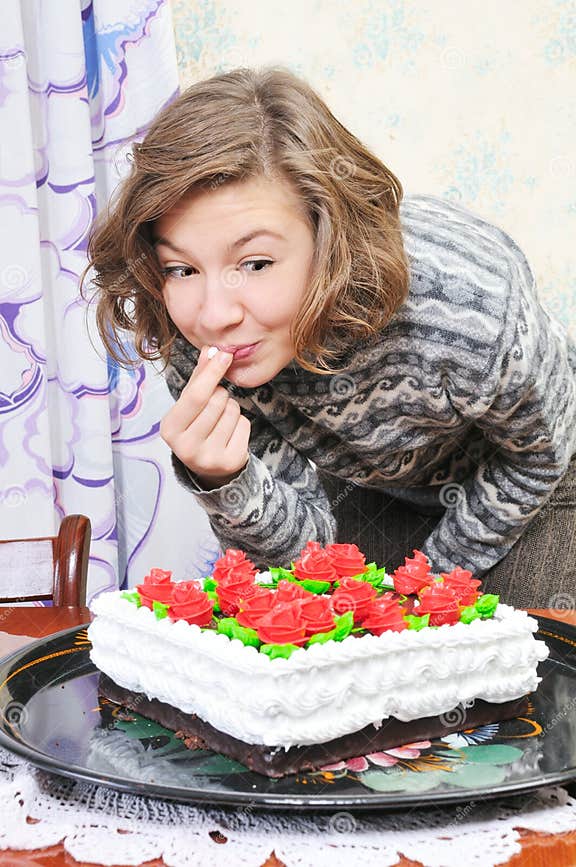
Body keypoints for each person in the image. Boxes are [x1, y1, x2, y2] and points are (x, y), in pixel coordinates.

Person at [84, 65, 576, 608]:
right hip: (385, 483)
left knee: (520, 671)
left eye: (255, 262)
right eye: (182, 268)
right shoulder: (197, 333)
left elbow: (538, 455)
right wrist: (229, 481)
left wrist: (426, 594)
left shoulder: (467, 306)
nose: (215, 314)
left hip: (540, 467)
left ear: (330, 236)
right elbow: (304, 560)